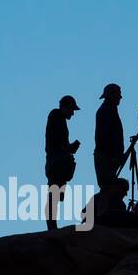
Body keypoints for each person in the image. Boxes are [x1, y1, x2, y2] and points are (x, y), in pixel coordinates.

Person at [44, 94, 81, 231]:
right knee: (54, 195)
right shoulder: (56, 116)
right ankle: (52, 227)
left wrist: (70, 148)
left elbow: (61, 143)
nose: (72, 113)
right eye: (71, 109)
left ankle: (52, 226)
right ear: (65, 107)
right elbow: (58, 143)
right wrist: (69, 148)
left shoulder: (59, 119)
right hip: (56, 164)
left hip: (58, 163)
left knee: (56, 195)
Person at [93, 83, 125, 191]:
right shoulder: (106, 111)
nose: (120, 97)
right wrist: (113, 157)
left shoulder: (109, 110)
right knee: (108, 188)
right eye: (118, 94)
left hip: (108, 157)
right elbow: (104, 138)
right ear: (111, 95)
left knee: (109, 187)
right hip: (107, 158)